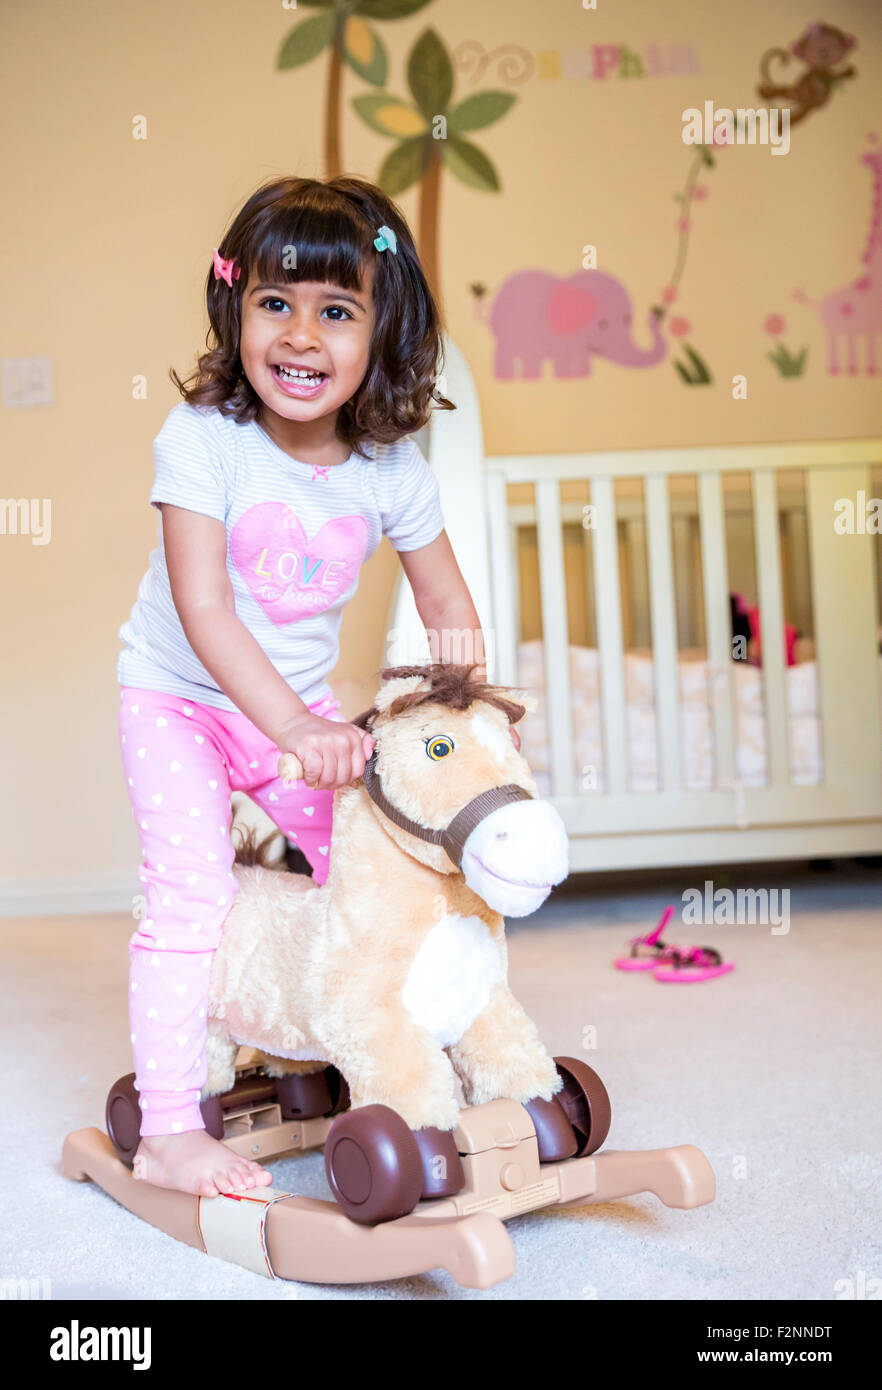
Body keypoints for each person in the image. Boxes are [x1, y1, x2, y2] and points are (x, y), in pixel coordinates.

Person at [116, 174, 494, 1199]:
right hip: (182, 702)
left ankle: (373, 1040)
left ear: (384, 329)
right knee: (190, 897)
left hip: (296, 713)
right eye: (274, 303)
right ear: (233, 308)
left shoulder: (388, 465)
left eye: (336, 311)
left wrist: (466, 716)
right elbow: (205, 609)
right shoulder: (201, 439)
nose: (300, 334)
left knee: (371, 871)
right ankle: (167, 1127)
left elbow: (449, 602)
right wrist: (292, 723)